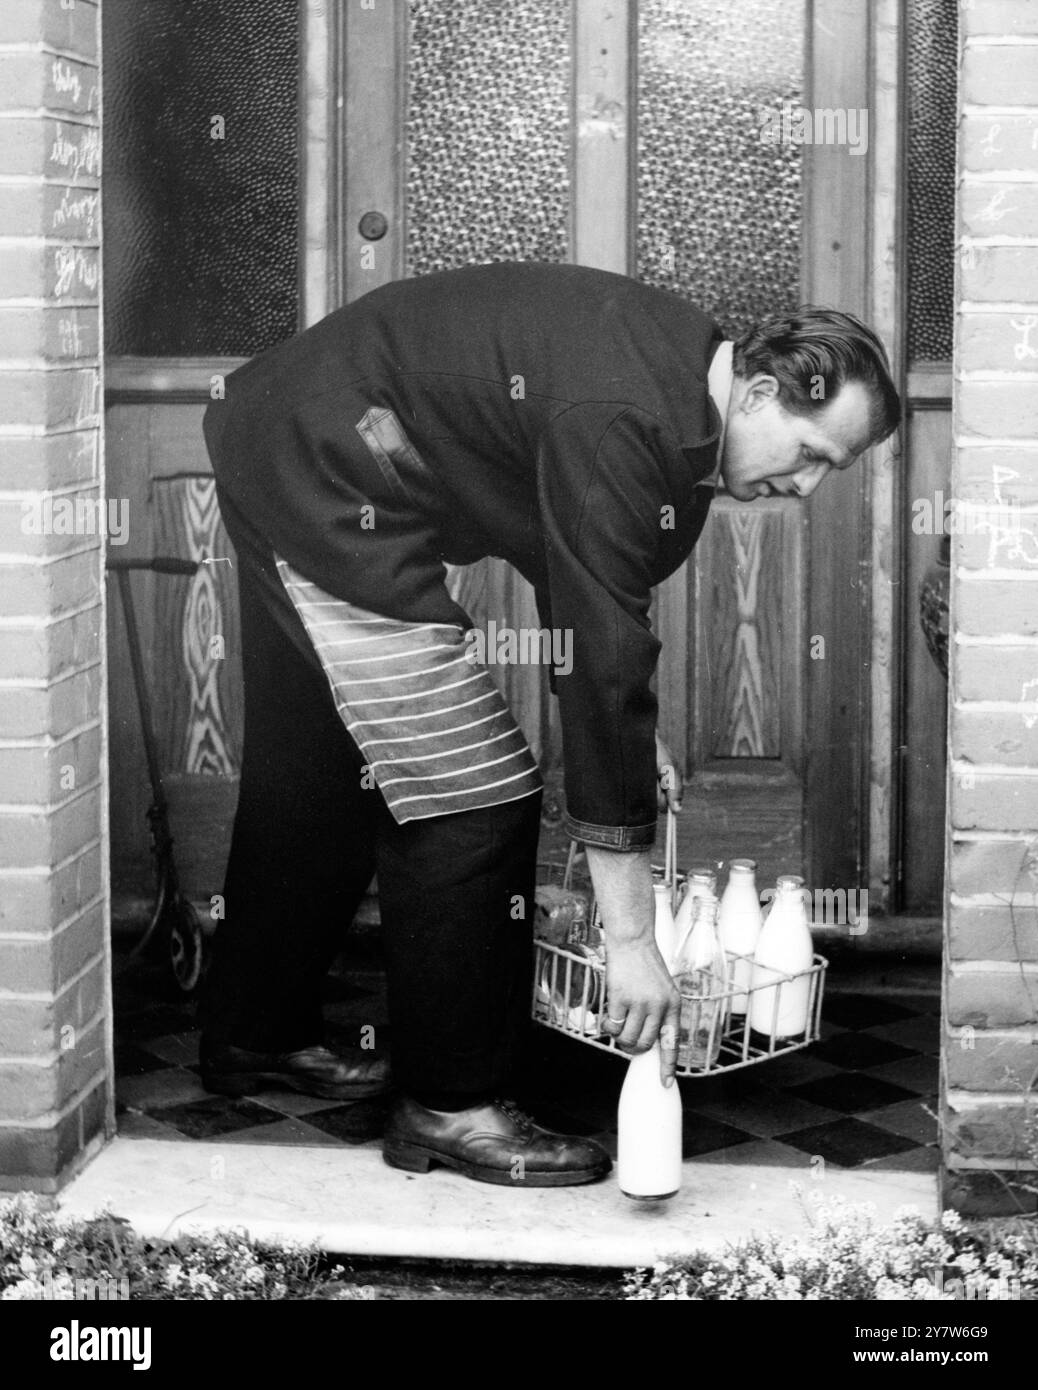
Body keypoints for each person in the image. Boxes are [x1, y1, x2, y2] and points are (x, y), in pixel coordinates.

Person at [198, 261, 900, 1187]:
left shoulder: (677, 386)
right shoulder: (631, 414)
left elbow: (579, 576)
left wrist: (623, 726)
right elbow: (604, 650)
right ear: (762, 391)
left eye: (828, 472)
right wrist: (632, 940)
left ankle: (255, 1034)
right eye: (811, 454)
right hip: (321, 467)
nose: (806, 487)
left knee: (323, 762)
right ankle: (450, 1106)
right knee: (472, 790)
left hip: (295, 430)